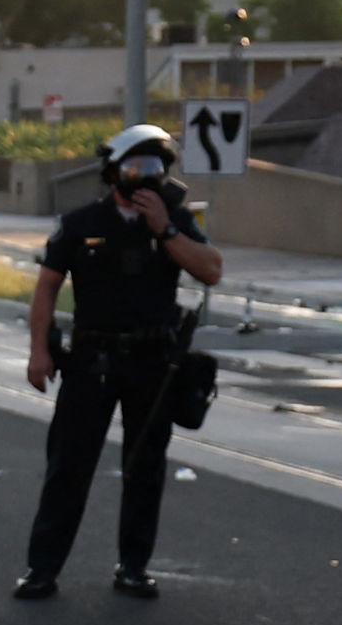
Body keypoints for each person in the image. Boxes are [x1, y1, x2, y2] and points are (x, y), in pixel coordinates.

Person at [17, 123, 220, 599]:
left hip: (152, 361)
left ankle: (133, 566)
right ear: (113, 174)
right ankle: (42, 568)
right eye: (135, 168)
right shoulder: (81, 223)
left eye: (154, 169)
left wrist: (164, 229)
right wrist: (39, 350)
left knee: (145, 466)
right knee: (69, 466)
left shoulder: (174, 220)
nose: (145, 178)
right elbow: (47, 286)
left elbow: (210, 269)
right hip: (92, 359)